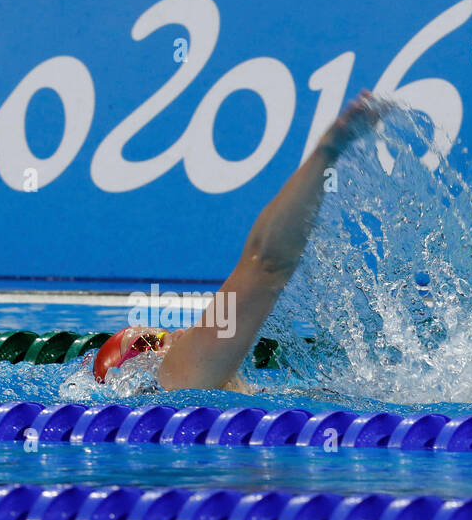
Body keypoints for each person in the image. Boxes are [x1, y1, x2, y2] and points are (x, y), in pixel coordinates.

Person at [93, 90, 383, 391]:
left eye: (165, 331)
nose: (177, 333)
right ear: (138, 375)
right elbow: (266, 264)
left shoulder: (208, 395)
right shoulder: (179, 379)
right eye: (156, 341)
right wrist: (328, 150)